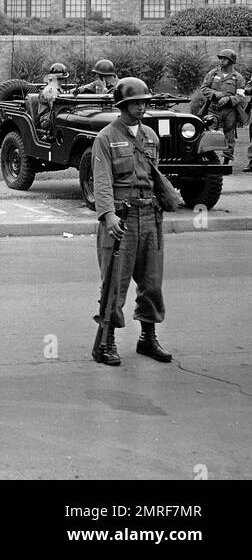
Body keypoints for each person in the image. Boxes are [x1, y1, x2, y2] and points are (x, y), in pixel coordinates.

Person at [89, 77, 184, 366]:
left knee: (152, 282)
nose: (142, 107)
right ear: (122, 105)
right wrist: (108, 216)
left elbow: (153, 174)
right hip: (122, 218)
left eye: (144, 102)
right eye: (135, 103)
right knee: (115, 284)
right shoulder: (105, 138)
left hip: (150, 216)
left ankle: (147, 338)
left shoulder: (151, 137)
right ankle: (106, 342)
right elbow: (102, 182)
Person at [199, 49, 246, 167]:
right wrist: (215, 94)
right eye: (220, 58)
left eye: (224, 58)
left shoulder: (238, 78)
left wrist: (228, 99)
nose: (221, 60)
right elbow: (204, 88)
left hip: (230, 111)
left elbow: (240, 96)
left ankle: (226, 161)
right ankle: (210, 158)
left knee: (229, 134)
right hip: (213, 109)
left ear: (231, 61)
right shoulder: (213, 73)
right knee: (208, 132)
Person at [37, 62, 69, 133]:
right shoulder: (49, 90)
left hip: (52, 116)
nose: (65, 81)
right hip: (47, 120)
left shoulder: (57, 88)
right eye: (64, 79)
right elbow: (56, 107)